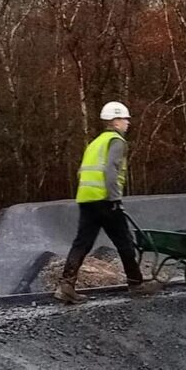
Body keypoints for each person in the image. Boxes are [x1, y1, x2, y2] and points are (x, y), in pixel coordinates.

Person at [55, 101, 157, 302]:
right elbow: (110, 171)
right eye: (124, 119)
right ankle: (136, 284)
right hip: (105, 200)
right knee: (125, 242)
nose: (128, 122)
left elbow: (81, 172)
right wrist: (114, 198)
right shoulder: (116, 141)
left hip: (87, 199)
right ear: (115, 121)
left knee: (82, 243)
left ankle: (66, 285)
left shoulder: (95, 143)